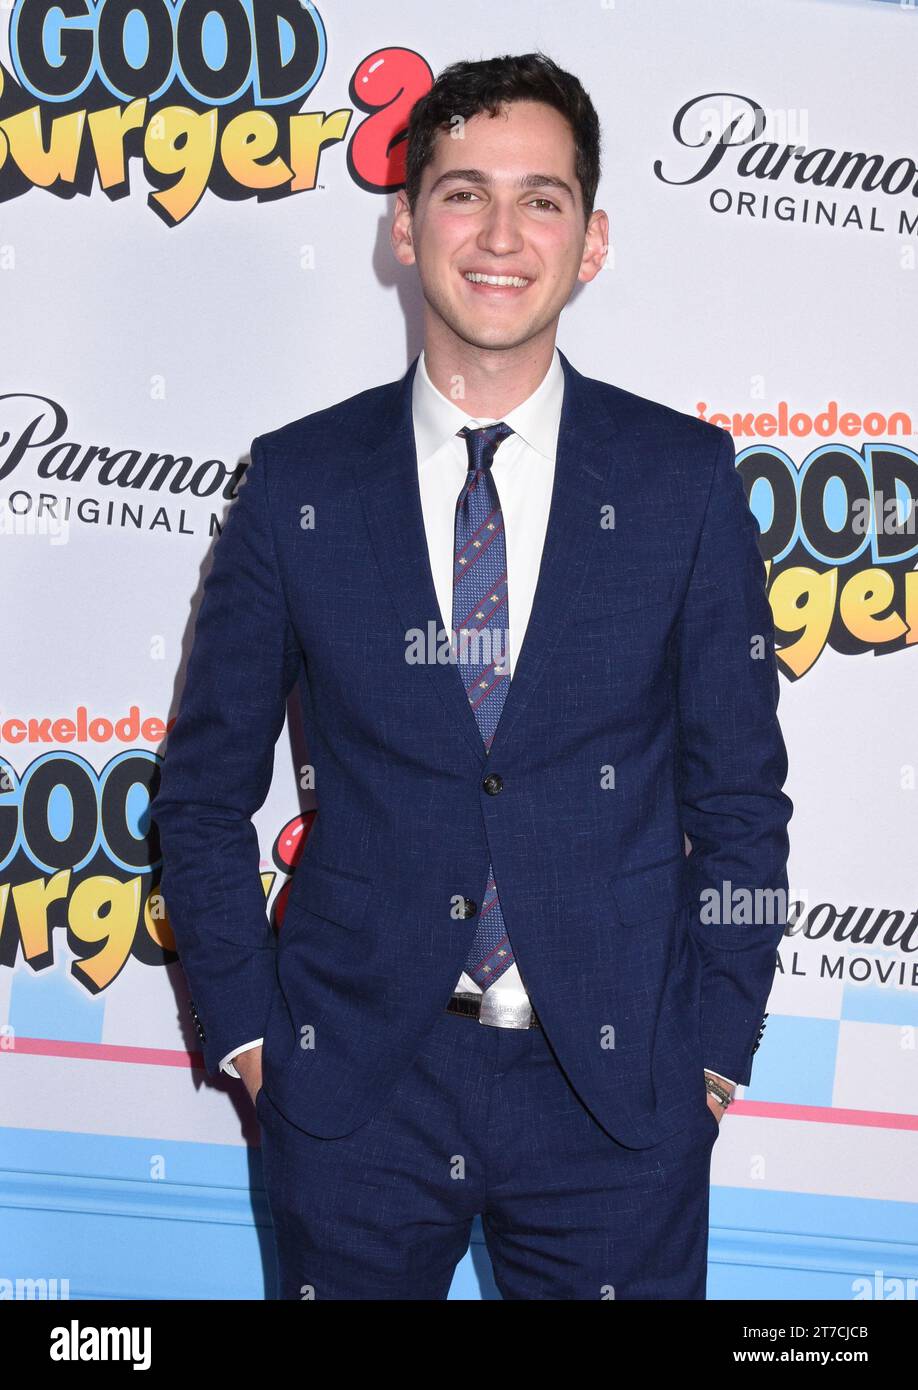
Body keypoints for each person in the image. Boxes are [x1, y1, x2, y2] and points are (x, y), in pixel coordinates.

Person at [151, 51, 792, 1300]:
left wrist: (715, 1051)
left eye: (541, 199)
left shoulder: (684, 483)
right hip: (354, 1094)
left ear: (592, 239)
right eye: (462, 193)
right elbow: (198, 794)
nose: (501, 234)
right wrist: (250, 1037)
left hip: (618, 1103)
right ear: (403, 226)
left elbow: (741, 807)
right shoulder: (297, 485)